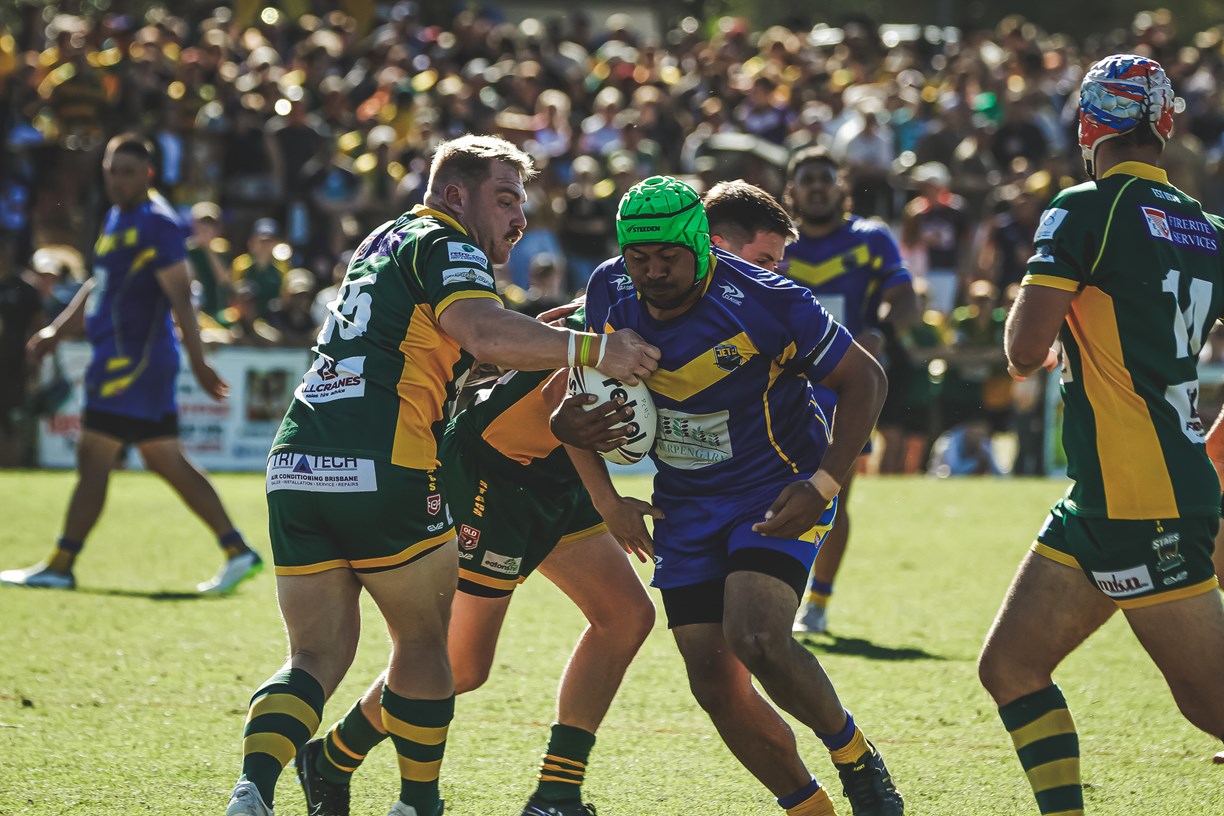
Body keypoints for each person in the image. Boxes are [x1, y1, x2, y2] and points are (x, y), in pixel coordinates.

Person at [223, 134, 659, 816]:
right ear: (456, 194)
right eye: (507, 199)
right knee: (430, 649)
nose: (520, 218)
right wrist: (599, 348)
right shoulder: (452, 244)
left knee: (314, 654)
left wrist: (499, 352)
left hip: (299, 457)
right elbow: (483, 332)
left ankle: (252, 789)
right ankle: (414, 802)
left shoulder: (384, 238)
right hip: (396, 462)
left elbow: (427, 342)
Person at [553, 176, 903, 816]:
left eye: (669, 259)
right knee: (713, 682)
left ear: (703, 247)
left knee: (758, 636)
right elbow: (569, 397)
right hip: (682, 506)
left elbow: (867, 380)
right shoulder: (609, 287)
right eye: (640, 259)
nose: (652, 273)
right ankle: (809, 808)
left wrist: (823, 482)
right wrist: (605, 498)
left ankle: (859, 764)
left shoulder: (769, 300)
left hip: (774, 493)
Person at [977, 55, 1224, 815]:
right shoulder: (1211, 228)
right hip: (1112, 492)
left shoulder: (1086, 207)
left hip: (1137, 496)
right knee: (1011, 665)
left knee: (1212, 704)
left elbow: (1023, 351)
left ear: (1088, 124)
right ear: (1164, 124)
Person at [290, 307, 655, 816]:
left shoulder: (714, 305)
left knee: (626, 617)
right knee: (460, 666)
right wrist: (609, 503)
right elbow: (559, 396)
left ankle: (556, 794)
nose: (769, 272)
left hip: (557, 471)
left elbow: (553, 323)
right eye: (765, 258)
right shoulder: (638, 291)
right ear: (712, 242)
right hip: (493, 477)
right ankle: (331, 757)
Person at [1, 133, 262, 594]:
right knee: (165, 459)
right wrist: (55, 331)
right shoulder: (117, 217)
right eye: (111, 170)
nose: (117, 179)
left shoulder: (157, 223)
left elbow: (181, 296)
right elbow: (96, 284)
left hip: (133, 365)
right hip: (124, 360)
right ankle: (237, 550)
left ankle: (61, 563)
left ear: (148, 175)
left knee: (93, 454)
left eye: (127, 172)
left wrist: (198, 362)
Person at [780, 146, 919, 635]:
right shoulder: (778, 244)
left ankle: (816, 603)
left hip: (844, 393)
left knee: (831, 496)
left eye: (825, 178)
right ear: (790, 191)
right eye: (806, 179)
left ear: (841, 186)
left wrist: (880, 333)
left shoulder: (870, 238)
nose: (817, 187)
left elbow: (905, 299)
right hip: (777, 390)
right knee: (762, 491)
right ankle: (771, 592)